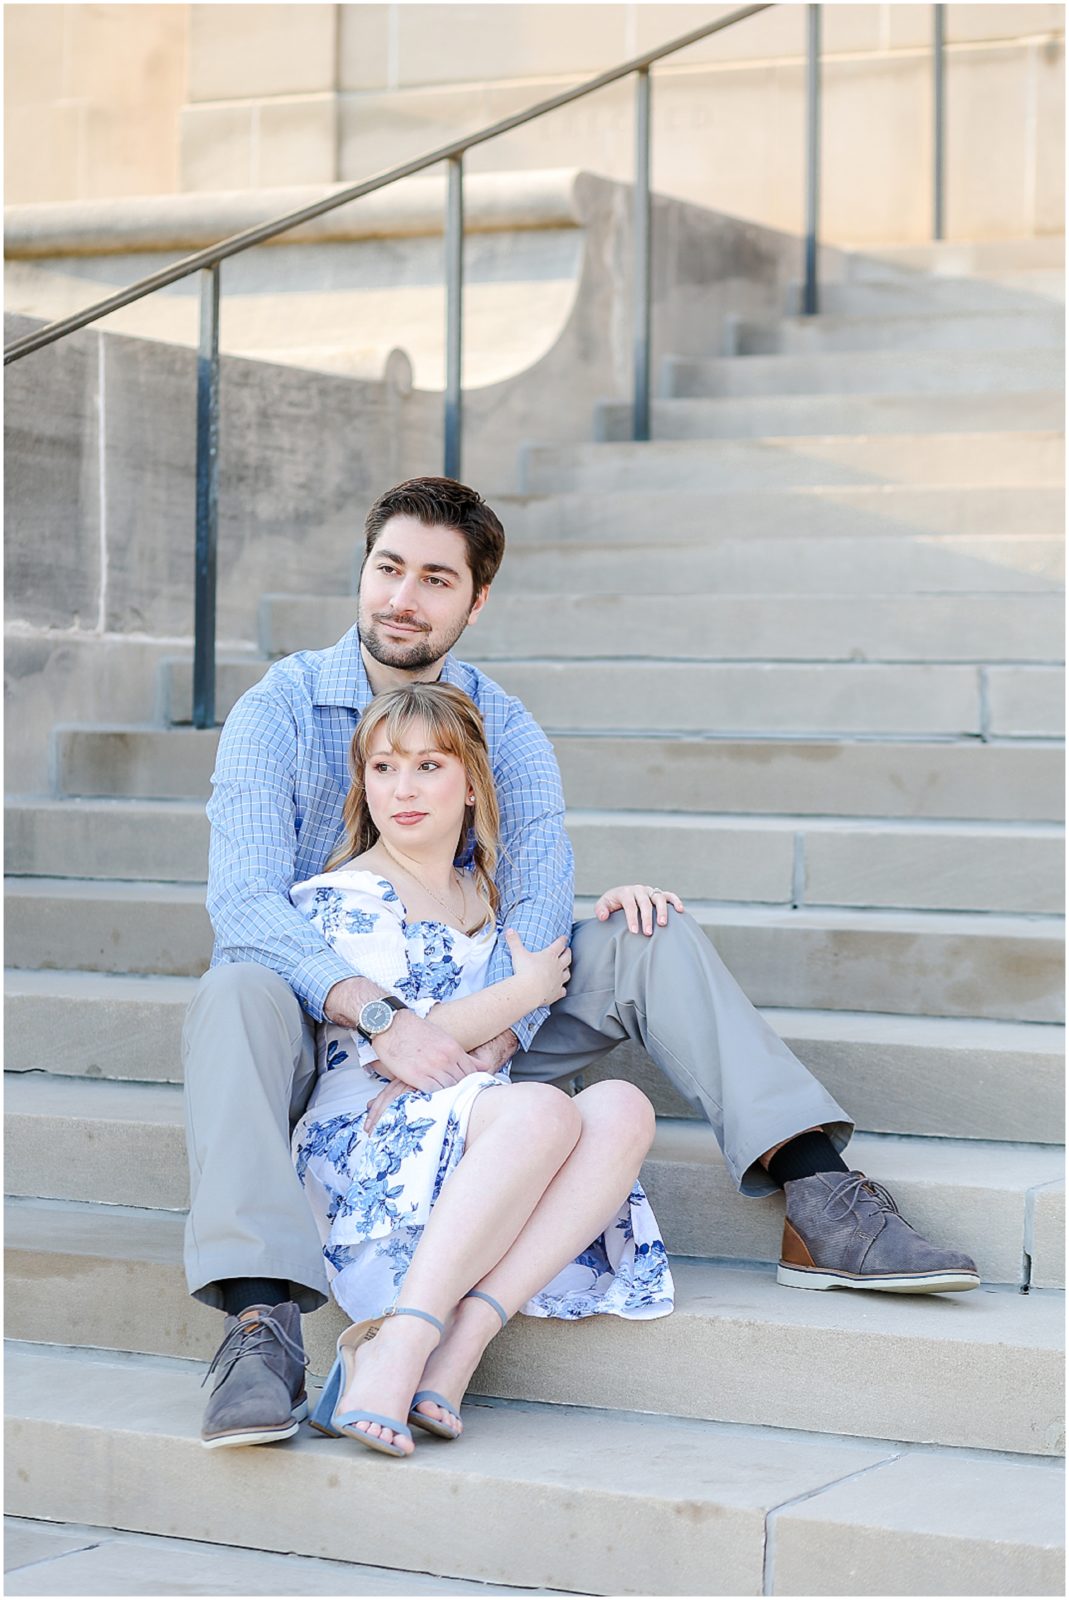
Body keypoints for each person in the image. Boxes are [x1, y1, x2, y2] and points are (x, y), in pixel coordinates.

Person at [186, 476, 979, 1451]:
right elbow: (246, 902)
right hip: (329, 1023)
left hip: (476, 1009)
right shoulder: (283, 707)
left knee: (650, 932)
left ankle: (815, 1189)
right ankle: (262, 1320)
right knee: (233, 985)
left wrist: (496, 1028)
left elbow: (535, 895)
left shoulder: (503, 726)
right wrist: (384, 1018)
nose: (403, 597)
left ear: (474, 602)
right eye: (389, 568)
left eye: (436, 579)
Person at [288, 680, 671, 1456]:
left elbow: (549, 956)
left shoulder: (489, 890)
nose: (402, 789)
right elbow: (396, 1043)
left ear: (470, 784)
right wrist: (524, 992)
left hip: (471, 1122)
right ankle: (398, 1342)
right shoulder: (346, 895)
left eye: (428, 766)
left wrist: (615, 907)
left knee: (623, 1106)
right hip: (367, 1129)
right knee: (539, 1108)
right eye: (384, 767)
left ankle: (457, 1349)